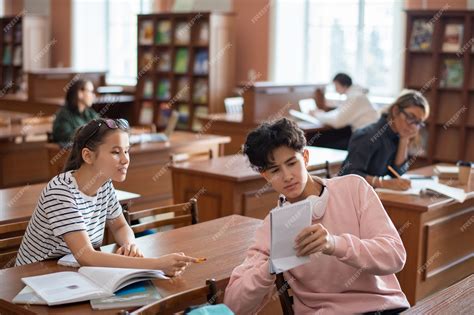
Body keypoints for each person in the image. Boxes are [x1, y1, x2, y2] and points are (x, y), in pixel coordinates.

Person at [224, 118, 409, 314]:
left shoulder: (354, 188)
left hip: (385, 309)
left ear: (305, 157)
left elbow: (395, 256)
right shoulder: (271, 228)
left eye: (291, 163)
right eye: (275, 170)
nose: (287, 176)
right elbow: (233, 306)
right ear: (265, 176)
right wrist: (270, 267)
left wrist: (334, 244)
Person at [16, 118, 198, 276]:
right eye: (116, 152)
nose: (125, 160)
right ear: (87, 156)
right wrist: (157, 265)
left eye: (126, 151)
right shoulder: (61, 192)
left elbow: (119, 226)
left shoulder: (104, 185)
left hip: (70, 273)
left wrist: (129, 244)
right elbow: (86, 255)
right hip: (34, 277)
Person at [339, 90, 430, 191]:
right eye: (410, 117)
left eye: (418, 123)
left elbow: (398, 173)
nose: (413, 126)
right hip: (352, 197)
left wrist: (404, 140)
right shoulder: (367, 135)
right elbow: (350, 174)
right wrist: (383, 183)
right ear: (395, 111)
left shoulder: (397, 136)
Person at [312, 73, 379, 131]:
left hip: (366, 137)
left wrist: (318, 115)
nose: (335, 89)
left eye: (336, 85)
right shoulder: (355, 94)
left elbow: (338, 122)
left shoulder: (355, 97)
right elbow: (339, 112)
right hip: (367, 133)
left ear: (344, 85)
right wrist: (323, 114)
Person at [52, 79, 100, 146]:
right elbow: (66, 137)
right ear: (80, 93)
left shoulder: (90, 113)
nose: (93, 96)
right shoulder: (63, 115)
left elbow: (101, 130)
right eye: (91, 92)